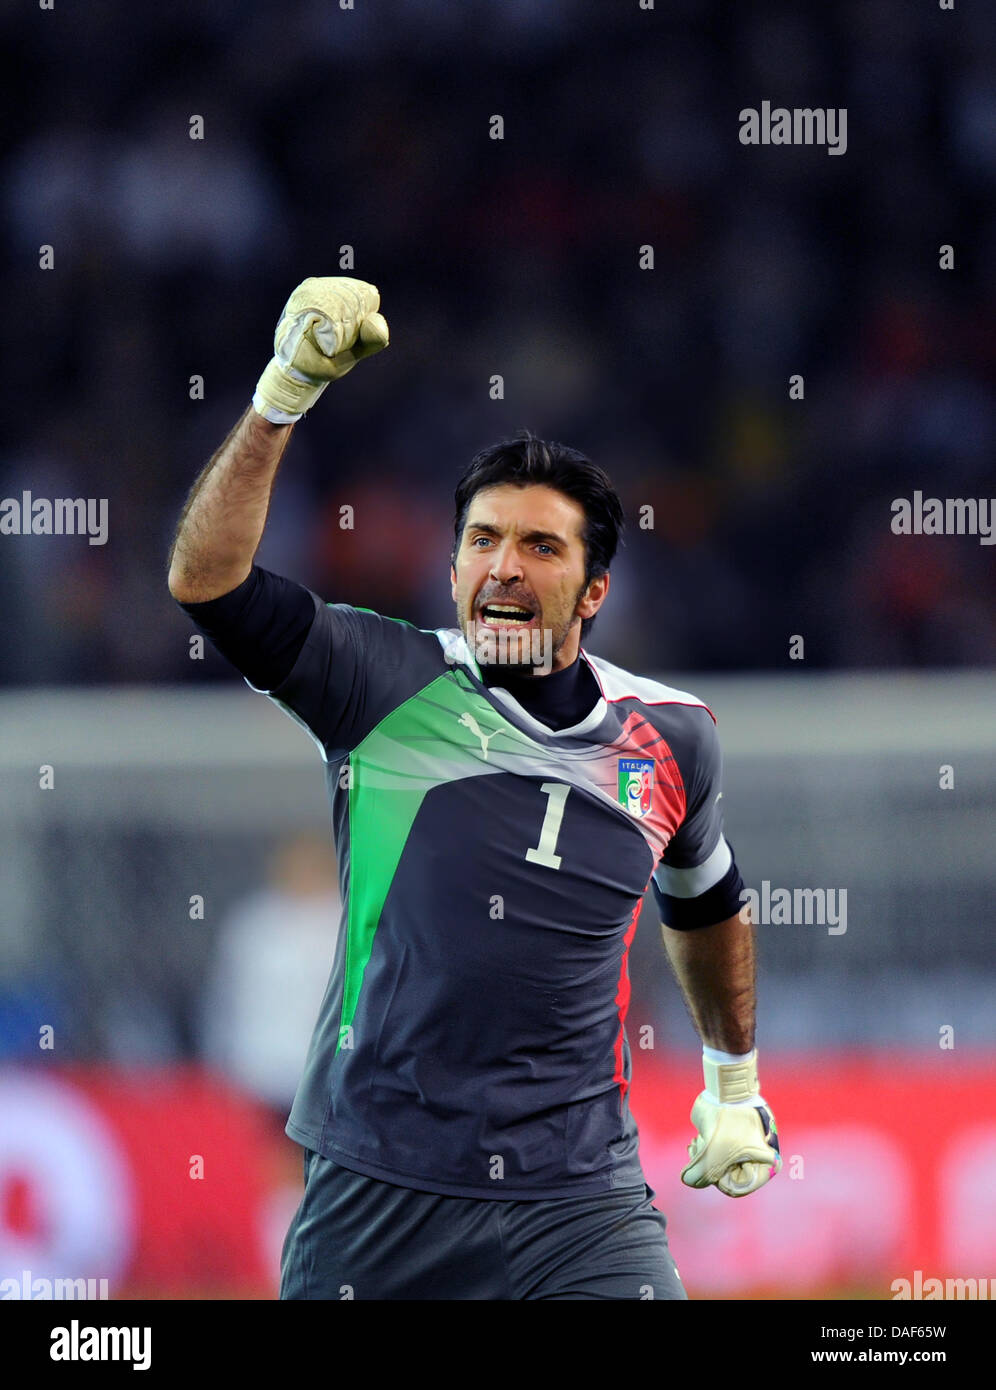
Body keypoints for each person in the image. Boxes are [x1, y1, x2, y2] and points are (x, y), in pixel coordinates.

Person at [167, 277, 780, 1301]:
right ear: (452, 565)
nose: (503, 565)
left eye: (540, 546)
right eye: (482, 540)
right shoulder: (380, 681)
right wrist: (284, 394)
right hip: (377, 1191)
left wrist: (734, 1082)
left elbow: (708, 895)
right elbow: (208, 580)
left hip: (578, 1201)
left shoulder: (672, 738)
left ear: (594, 592)